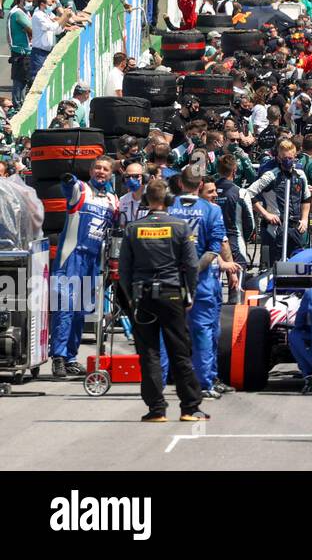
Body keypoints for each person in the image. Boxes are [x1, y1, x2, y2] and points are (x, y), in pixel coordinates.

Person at [118, 178, 207, 422]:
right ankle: (189, 407)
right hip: (172, 294)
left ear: (147, 201)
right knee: (179, 351)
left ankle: (156, 409)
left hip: (142, 294)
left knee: (149, 353)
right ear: (169, 200)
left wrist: (131, 297)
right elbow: (190, 265)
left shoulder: (133, 228)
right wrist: (190, 292)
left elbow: (124, 270)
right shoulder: (180, 227)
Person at [166, 164, 236, 399]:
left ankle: (163, 383)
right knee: (204, 331)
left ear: (180, 184)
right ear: (199, 185)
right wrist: (194, 270)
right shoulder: (212, 210)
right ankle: (204, 383)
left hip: (170, 277)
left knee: (167, 330)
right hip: (202, 280)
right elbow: (214, 248)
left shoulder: (168, 208)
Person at [49, 157, 120, 378]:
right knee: (65, 307)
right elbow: (68, 185)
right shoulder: (80, 189)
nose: (101, 172)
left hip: (93, 262)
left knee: (81, 311)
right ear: (90, 170)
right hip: (71, 257)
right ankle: (58, 357)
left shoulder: (112, 199)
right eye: (97, 168)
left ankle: (71, 357)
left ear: (111, 174)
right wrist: (67, 178)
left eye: (105, 169)